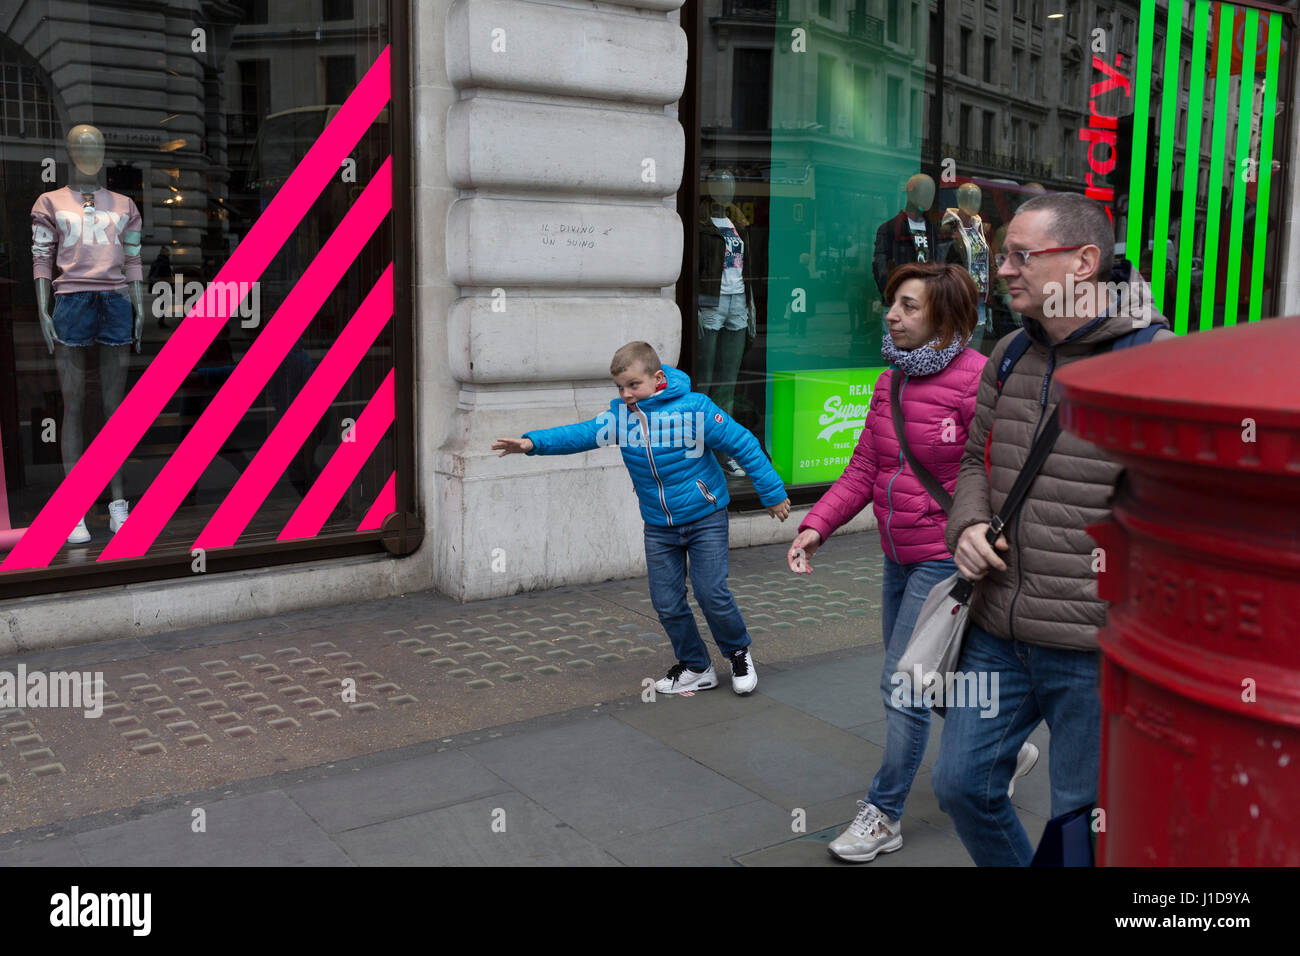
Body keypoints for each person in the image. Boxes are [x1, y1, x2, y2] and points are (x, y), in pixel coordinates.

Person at [933, 192, 1176, 866]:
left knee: (1082, 827)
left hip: (1090, 647)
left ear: (1084, 262)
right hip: (995, 630)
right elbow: (976, 458)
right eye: (1005, 255)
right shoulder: (1009, 354)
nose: (1003, 268)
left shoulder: (1158, 362)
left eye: (1021, 256)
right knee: (959, 787)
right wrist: (969, 523)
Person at [785, 262, 1037, 863]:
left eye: (908, 306)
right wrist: (817, 525)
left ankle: (884, 812)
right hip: (896, 557)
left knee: (903, 682)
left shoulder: (982, 380)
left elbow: (1002, 472)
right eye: (892, 304)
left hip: (945, 558)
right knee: (929, 675)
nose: (892, 316)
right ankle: (1001, 746)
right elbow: (865, 471)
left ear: (945, 316)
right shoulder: (891, 381)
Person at [493, 341, 791, 695]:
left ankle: (738, 652)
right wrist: (532, 443)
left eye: (634, 385)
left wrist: (772, 493)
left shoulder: (694, 409)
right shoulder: (621, 418)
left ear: (658, 378)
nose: (627, 393)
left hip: (704, 516)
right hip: (659, 525)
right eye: (620, 387)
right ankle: (697, 666)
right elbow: (581, 434)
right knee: (666, 602)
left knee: (711, 592)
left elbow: (743, 444)